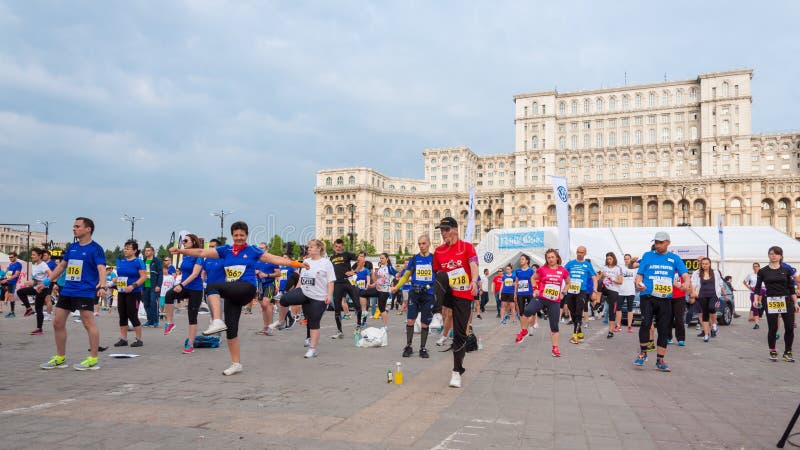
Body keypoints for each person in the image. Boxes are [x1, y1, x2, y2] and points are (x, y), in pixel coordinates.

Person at [171, 221, 305, 375]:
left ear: (246, 235)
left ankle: (216, 320)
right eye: (236, 235)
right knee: (231, 329)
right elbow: (201, 252)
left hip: (247, 288)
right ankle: (236, 363)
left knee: (212, 287)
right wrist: (181, 251)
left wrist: (297, 264)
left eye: (242, 235)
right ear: (232, 236)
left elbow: (274, 259)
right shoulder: (225, 250)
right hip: (231, 292)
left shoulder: (253, 250)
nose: (239, 238)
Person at [41, 217, 106, 370]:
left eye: (77, 226)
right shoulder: (72, 247)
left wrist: (102, 286)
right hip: (68, 290)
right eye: (73, 226)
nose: (74, 228)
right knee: (57, 322)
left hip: (84, 291)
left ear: (88, 229)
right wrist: (47, 281)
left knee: (88, 323)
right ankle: (60, 357)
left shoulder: (96, 248)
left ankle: (93, 359)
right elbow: (62, 266)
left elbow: (101, 268)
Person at [431, 217, 478, 388]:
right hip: (449, 292)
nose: (443, 233)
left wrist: (473, 281)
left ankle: (457, 371)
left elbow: (473, 265)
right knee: (441, 275)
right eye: (441, 230)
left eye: (446, 229)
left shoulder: (467, 247)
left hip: (463, 294)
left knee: (460, 335)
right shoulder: (438, 251)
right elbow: (437, 277)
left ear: (455, 229)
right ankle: (436, 315)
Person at [633, 231, 690, 372]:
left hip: (665, 298)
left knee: (664, 328)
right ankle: (643, 353)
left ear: (667, 243)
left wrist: (687, 283)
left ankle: (660, 359)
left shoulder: (674, 258)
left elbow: (685, 275)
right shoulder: (647, 256)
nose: (657, 245)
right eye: (656, 242)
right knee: (646, 323)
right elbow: (639, 275)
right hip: (648, 295)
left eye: (660, 243)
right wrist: (638, 282)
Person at [279, 239, 334, 358]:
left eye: (312, 247)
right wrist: (296, 291)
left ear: (319, 248)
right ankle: (281, 321)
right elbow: (301, 279)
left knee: (313, 322)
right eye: (308, 247)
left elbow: (330, 281)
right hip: (304, 292)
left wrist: (329, 296)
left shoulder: (326, 263)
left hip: (319, 297)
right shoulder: (305, 261)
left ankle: (312, 349)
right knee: (284, 299)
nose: (308, 248)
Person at [515, 249, 570, 358]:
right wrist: (535, 289)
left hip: (554, 301)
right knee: (527, 310)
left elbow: (568, 282)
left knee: (554, 325)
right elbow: (533, 278)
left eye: (552, 257)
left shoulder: (563, 270)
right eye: (548, 257)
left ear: (557, 258)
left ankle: (555, 348)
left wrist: (563, 292)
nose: (550, 259)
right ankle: (524, 331)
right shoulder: (543, 269)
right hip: (541, 297)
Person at [392, 234, 435, 359]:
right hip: (414, 293)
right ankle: (408, 346)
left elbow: (440, 276)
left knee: (425, 323)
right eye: (419, 244)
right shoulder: (415, 259)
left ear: (429, 244)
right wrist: (397, 287)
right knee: (410, 320)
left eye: (423, 243)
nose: (421, 246)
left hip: (428, 294)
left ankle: (423, 348)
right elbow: (406, 276)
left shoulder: (434, 259)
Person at [753, 246, 798, 362]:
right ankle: (772, 351)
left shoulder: (786, 270)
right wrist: (755, 299)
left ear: (780, 256)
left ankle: (787, 352)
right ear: (768, 255)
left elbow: (791, 288)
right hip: (771, 301)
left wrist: (795, 302)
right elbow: (757, 288)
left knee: (789, 327)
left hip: (786, 300)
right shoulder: (763, 271)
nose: (773, 256)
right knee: (773, 328)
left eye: (776, 254)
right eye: (771, 254)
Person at [164, 234, 205, 354]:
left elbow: (195, 274)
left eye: (186, 241)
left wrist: (181, 285)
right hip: (185, 286)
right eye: (182, 241)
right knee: (169, 295)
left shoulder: (198, 256)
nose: (184, 243)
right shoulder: (185, 256)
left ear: (193, 242)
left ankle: (190, 344)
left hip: (195, 289)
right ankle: (170, 323)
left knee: (192, 317)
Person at [112, 240, 147, 348]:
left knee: (132, 314)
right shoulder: (121, 262)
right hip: (122, 291)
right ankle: (123, 339)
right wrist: (115, 280)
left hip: (134, 292)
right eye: (125, 248)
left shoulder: (138, 262)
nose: (125, 250)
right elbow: (121, 275)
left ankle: (139, 339)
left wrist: (133, 286)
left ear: (135, 250)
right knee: (122, 314)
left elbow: (143, 277)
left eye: (128, 248)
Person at [329, 239, 363, 339]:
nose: (338, 248)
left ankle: (358, 325)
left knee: (357, 304)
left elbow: (361, 260)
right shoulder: (331, 258)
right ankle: (339, 331)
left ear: (342, 247)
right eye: (336, 246)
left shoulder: (347, 254)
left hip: (348, 281)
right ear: (334, 247)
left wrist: (355, 271)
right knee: (337, 308)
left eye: (340, 247)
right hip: (337, 284)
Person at [563, 246, 599, 344]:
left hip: (582, 292)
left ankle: (575, 336)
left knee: (579, 312)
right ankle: (580, 333)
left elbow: (594, 278)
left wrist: (594, 291)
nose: (579, 254)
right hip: (571, 291)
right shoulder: (570, 263)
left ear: (585, 253)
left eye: (582, 252)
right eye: (578, 252)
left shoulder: (587, 265)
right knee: (573, 312)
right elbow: (562, 273)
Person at [690, 257, 730, 343]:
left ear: (710, 264)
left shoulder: (715, 272)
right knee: (705, 314)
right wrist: (692, 294)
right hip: (701, 296)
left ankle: (714, 324)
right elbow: (693, 284)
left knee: (712, 308)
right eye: (703, 264)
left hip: (714, 295)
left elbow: (720, 283)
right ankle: (706, 334)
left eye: (706, 264)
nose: (704, 265)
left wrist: (725, 294)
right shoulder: (696, 273)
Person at [15, 248, 52, 335]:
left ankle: (39, 328)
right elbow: (36, 279)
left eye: (34, 255)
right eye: (31, 254)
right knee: (20, 292)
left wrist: (41, 283)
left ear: (39, 256)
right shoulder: (35, 265)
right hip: (36, 288)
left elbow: (51, 275)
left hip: (42, 289)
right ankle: (29, 309)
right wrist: (32, 282)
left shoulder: (43, 265)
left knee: (38, 309)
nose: (32, 256)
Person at [200, 239, 228, 336]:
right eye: (210, 246)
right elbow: (203, 273)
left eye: (212, 246)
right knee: (212, 313)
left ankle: (217, 336)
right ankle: (215, 332)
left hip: (220, 290)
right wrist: (201, 282)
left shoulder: (223, 259)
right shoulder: (207, 259)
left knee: (218, 313)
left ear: (218, 248)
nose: (210, 248)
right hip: (209, 289)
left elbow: (228, 274)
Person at [597, 252, 623, 339]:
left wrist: (613, 279)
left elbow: (620, 281)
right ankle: (599, 303)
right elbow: (597, 279)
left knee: (612, 312)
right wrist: (601, 275)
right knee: (600, 283)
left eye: (610, 259)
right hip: (605, 289)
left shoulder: (617, 268)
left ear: (614, 259)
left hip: (614, 291)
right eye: (607, 259)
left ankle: (611, 331)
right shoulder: (604, 267)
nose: (609, 261)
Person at [254, 253, 281, 336]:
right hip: (260, 285)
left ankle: (270, 327)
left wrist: (267, 275)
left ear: (266, 250)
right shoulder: (256, 261)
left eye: (263, 248)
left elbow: (278, 273)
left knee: (266, 303)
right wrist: (255, 272)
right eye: (259, 248)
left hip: (270, 284)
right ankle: (265, 327)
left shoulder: (272, 261)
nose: (260, 250)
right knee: (264, 306)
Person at [2, 252, 31, 318]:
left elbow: (16, 274)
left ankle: (12, 313)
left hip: (12, 282)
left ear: (15, 257)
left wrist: (6, 280)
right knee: (10, 296)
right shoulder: (11, 264)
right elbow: (8, 274)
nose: (10, 258)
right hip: (9, 282)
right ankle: (12, 312)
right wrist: (4, 278)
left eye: (12, 257)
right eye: (9, 257)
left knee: (11, 296)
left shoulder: (18, 264)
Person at [141, 246, 163, 328]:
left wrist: (158, 285)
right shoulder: (143, 261)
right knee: (146, 303)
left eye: (148, 250)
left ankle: (155, 321)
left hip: (154, 286)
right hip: (144, 286)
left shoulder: (156, 261)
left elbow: (160, 274)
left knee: (153, 303)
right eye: (145, 250)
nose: (146, 252)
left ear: (153, 252)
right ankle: (149, 320)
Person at [514, 255, 535, 330]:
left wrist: (535, 291)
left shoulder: (531, 271)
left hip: (529, 293)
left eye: (523, 259)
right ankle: (523, 329)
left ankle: (531, 327)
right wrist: (515, 293)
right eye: (520, 259)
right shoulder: (517, 271)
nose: (521, 260)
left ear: (527, 261)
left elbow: (534, 282)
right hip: (520, 294)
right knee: (521, 312)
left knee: (531, 311)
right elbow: (516, 282)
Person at [620, 254, 638, 333]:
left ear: (631, 259)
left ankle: (629, 326)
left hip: (631, 291)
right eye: (625, 259)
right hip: (621, 291)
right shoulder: (621, 268)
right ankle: (618, 325)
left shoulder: (635, 268)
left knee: (630, 309)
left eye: (628, 259)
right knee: (619, 308)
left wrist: (636, 281)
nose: (626, 260)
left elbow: (637, 278)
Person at [744, 262, 764, 329]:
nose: (755, 267)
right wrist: (749, 287)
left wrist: (764, 287)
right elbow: (744, 282)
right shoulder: (750, 275)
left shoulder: (763, 274)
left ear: (759, 267)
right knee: (755, 307)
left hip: (762, 292)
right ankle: (757, 324)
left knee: (761, 306)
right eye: (754, 266)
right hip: (753, 292)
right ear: (752, 267)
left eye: (756, 266)